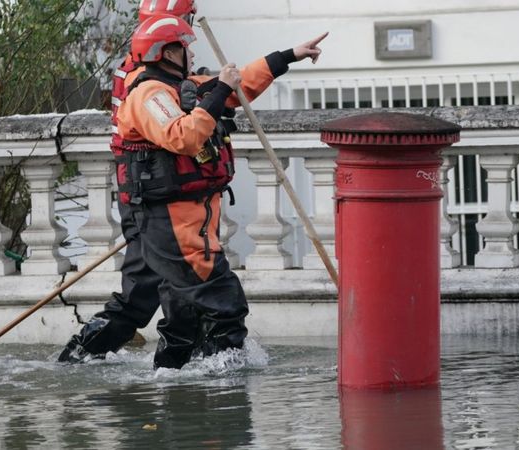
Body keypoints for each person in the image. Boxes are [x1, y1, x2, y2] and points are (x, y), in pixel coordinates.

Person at [107, 14, 326, 369]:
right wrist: (222, 88)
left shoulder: (183, 87)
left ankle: (170, 376)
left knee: (175, 310)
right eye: (185, 48)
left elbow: (243, 84)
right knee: (223, 299)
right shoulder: (149, 94)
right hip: (171, 220)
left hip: (189, 217)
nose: (191, 55)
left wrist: (289, 55)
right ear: (167, 52)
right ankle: (226, 382)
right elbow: (183, 135)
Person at [58, 0, 200, 363]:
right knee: (165, 281)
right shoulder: (149, 73)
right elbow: (169, 132)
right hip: (150, 192)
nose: (191, 27)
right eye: (188, 18)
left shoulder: (137, 64)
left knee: (144, 288)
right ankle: (175, 364)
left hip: (141, 189)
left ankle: (83, 353)